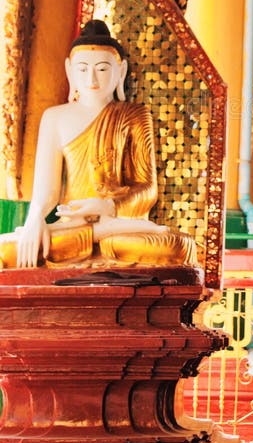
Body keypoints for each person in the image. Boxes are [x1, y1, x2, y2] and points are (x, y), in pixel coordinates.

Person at [0, 20, 197, 268]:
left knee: (179, 247)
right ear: (70, 71)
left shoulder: (134, 115)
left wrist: (108, 206)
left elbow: (147, 189)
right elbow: (45, 192)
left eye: (103, 69)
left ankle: (100, 234)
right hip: (71, 226)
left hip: (122, 230)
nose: (92, 78)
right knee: (6, 251)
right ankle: (96, 235)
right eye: (82, 69)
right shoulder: (55, 117)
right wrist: (35, 218)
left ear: (121, 71)